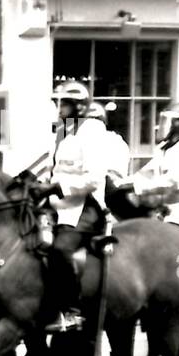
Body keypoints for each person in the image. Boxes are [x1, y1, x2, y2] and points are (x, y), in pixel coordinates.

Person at [41, 81, 110, 332]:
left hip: (85, 207)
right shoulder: (63, 130)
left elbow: (93, 179)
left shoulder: (93, 130)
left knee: (60, 249)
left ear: (79, 106)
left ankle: (72, 310)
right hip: (58, 204)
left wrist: (58, 187)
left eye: (65, 103)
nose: (59, 108)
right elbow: (51, 167)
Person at [125, 102, 179, 233]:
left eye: (167, 121)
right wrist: (121, 183)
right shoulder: (165, 149)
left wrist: (138, 188)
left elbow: (174, 181)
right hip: (168, 209)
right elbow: (146, 173)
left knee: (176, 248)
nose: (162, 125)